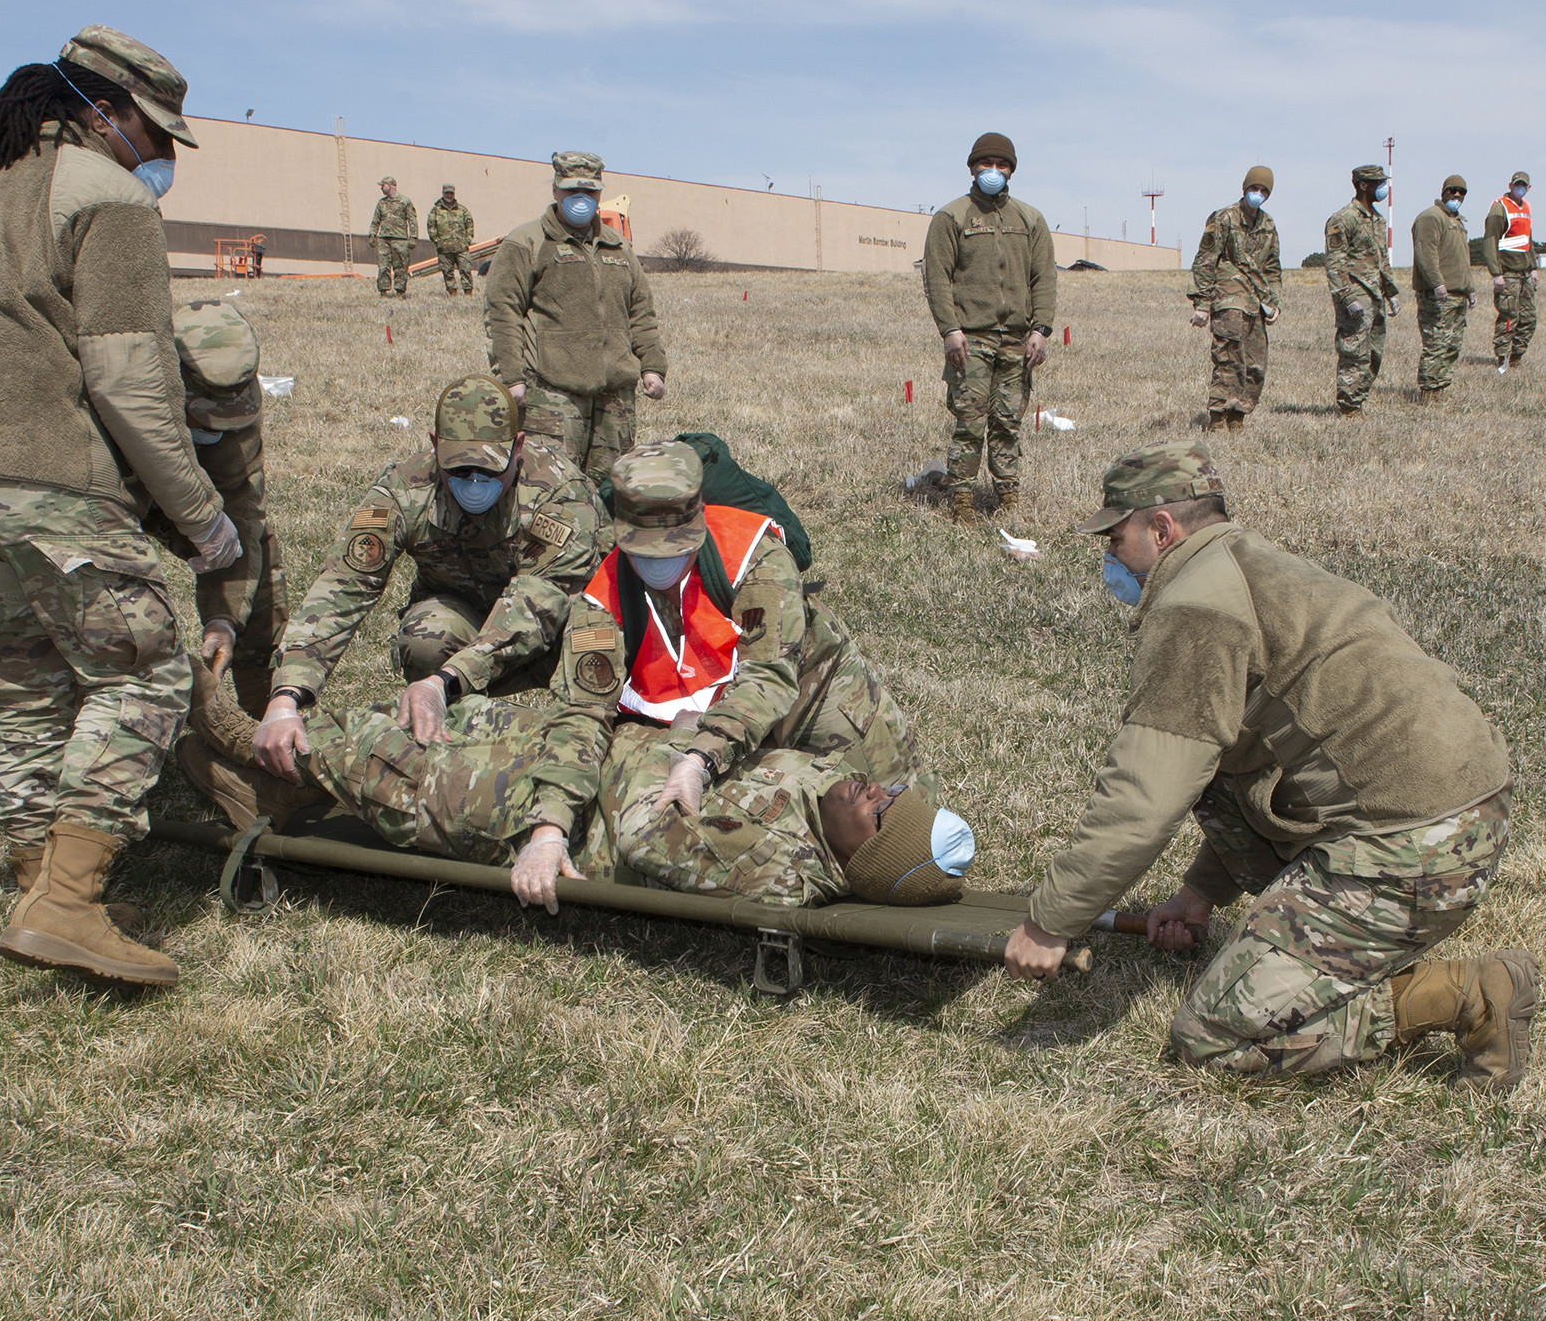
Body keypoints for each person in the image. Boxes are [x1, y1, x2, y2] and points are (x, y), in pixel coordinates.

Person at [1002, 439, 1538, 1092]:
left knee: (1216, 1034)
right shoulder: (1255, 567)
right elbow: (1245, 766)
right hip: (1463, 803)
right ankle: (1337, 943)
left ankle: (1469, 995)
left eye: (1114, 539)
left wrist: (1049, 921)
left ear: (1161, 529)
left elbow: (1143, 800)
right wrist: (1201, 895)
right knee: (1217, 777)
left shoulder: (1194, 605)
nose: (1109, 558)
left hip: (1413, 842)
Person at [0, 24, 236, 990]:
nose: (158, 152)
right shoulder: (109, 197)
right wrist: (200, 514)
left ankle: (38, 879)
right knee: (145, 668)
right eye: (151, 129)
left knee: (22, 679)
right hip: (41, 475)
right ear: (102, 110)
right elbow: (127, 379)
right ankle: (70, 903)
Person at [505, 442, 931, 911]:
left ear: (699, 522)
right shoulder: (600, 602)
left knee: (906, 833)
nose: (659, 562)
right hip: (703, 719)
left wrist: (698, 758)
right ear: (620, 535)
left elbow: (768, 676)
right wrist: (549, 831)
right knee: (767, 835)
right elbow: (581, 717)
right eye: (645, 549)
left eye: (676, 547)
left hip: (815, 696)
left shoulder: (754, 557)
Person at [176, 690, 969, 914]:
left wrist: (671, 756)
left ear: (858, 854)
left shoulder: (761, 863)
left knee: (397, 765)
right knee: (448, 716)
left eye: (880, 810)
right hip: (598, 747)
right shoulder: (825, 795)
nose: (875, 788)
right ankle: (280, 794)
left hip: (556, 819)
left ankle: (254, 747)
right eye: (889, 791)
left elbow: (643, 842)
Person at [251, 374, 606, 774]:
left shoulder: (560, 493)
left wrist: (447, 679)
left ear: (518, 446)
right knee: (424, 638)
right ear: (435, 445)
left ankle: (586, 755)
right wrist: (285, 696)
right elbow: (343, 586)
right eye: (458, 469)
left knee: (597, 650)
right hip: (465, 613)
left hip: (556, 628)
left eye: (488, 470)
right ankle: (454, 751)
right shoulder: (406, 489)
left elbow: (538, 605)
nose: (474, 483)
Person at [140, 299, 288, 716]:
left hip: (190, 496)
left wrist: (224, 617)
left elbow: (241, 511)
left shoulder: (234, 413)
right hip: (114, 498)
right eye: (203, 420)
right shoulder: (120, 399)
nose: (216, 432)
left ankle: (263, 713)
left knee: (256, 548)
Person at [484, 152, 669, 485]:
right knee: (550, 491)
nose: (581, 200)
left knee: (611, 492)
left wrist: (652, 365)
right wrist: (512, 376)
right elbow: (502, 311)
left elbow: (641, 309)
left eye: (590, 192)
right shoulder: (526, 242)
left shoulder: (618, 247)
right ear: (555, 190)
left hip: (615, 398)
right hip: (552, 394)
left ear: (599, 193)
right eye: (572, 192)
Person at [922, 132, 1056, 522]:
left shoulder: (1030, 219)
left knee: (1007, 423)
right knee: (970, 422)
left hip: (1017, 340)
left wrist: (1041, 330)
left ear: (1012, 170)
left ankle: (1007, 497)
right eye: (986, 164)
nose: (993, 171)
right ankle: (962, 500)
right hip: (970, 339)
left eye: (1002, 165)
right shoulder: (951, 217)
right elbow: (937, 278)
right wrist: (950, 329)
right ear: (971, 168)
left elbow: (1044, 278)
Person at [1187, 166, 1282, 433]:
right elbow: (1205, 260)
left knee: (1255, 365)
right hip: (1228, 299)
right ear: (1244, 188)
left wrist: (1274, 302)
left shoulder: (1268, 225)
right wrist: (1202, 304)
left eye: (1264, 190)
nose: (1258, 194)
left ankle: (1238, 416)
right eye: (1255, 188)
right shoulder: (1223, 218)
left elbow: (1273, 268)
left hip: (1257, 304)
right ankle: (1218, 418)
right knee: (1228, 360)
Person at [1324, 165, 1401, 417]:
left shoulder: (1378, 220)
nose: (1382, 188)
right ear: (1362, 185)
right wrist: (1347, 298)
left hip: (1376, 296)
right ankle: (1349, 407)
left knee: (1374, 354)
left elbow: (1382, 261)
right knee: (1353, 353)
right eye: (1377, 183)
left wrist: (1392, 292)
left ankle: (1358, 397)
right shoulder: (1342, 219)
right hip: (1355, 298)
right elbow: (1335, 264)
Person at [1409, 176, 1476, 404]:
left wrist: (1470, 288)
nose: (1457, 196)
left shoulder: (1457, 222)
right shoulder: (1431, 218)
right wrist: (1437, 283)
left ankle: (1440, 389)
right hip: (1438, 296)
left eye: (1462, 192)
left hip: (1458, 296)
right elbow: (1426, 254)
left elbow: (1463, 259)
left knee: (1452, 346)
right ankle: (1428, 392)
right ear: (1444, 191)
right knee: (1436, 344)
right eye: (1453, 191)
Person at [1484, 171, 1539, 373]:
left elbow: (1527, 240)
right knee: (1508, 318)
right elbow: (1490, 240)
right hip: (1508, 273)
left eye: (1524, 185)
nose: (1520, 188)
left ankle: (1516, 357)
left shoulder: (1526, 207)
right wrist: (1496, 273)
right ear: (1510, 185)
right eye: (1517, 185)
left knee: (1529, 318)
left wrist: (1533, 267)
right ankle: (1502, 360)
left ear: (1529, 188)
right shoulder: (1500, 207)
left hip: (1525, 273)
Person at [369, 176, 420, 297]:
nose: (381, 188)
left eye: (383, 185)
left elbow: (412, 220)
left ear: (390, 185)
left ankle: (400, 292)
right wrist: (372, 234)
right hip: (384, 239)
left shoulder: (405, 201)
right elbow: (376, 220)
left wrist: (413, 237)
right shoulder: (381, 203)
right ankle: (383, 292)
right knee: (383, 266)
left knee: (401, 267)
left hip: (400, 239)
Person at [428, 183, 477, 298]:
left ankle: (468, 294)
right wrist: (437, 242)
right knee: (447, 272)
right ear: (443, 193)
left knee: (466, 270)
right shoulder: (435, 211)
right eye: (447, 193)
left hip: (461, 247)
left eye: (451, 193)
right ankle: (453, 295)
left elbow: (470, 225)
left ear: (454, 194)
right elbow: (431, 227)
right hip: (444, 249)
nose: (449, 195)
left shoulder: (462, 210)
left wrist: (467, 240)